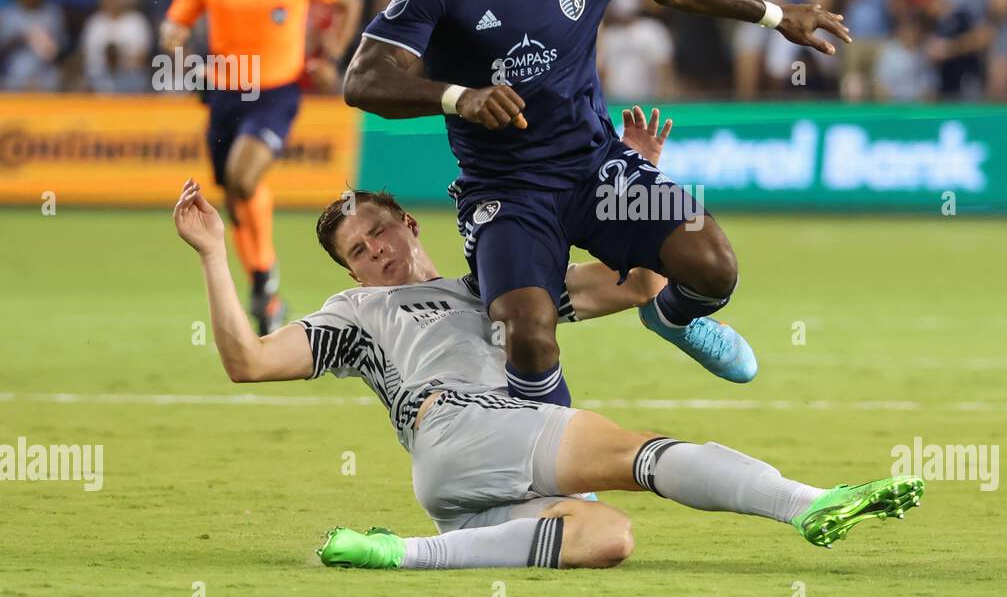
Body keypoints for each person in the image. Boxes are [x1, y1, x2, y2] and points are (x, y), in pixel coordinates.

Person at [171, 112, 923, 571]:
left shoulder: (497, 283)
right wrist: (213, 254)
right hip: (462, 425)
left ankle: (401, 552)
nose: (374, 254)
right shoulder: (358, 314)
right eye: (356, 252)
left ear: (409, 224)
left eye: (377, 233)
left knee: (606, 537)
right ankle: (809, 503)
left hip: (457, 489)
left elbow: (631, 282)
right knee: (643, 453)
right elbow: (246, 361)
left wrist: (637, 184)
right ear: (350, 273)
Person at [342, 0, 852, 406]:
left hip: (599, 171)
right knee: (526, 332)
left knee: (714, 266)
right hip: (507, 191)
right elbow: (363, 81)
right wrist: (460, 97)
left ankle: (672, 317)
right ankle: (556, 478)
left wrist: (775, 14)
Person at [162, 0, 363, 333]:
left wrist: (330, 52)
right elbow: (177, 21)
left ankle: (263, 280)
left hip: (275, 93)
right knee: (235, 193)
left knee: (242, 177)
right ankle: (263, 282)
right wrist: (174, 40)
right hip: (222, 93)